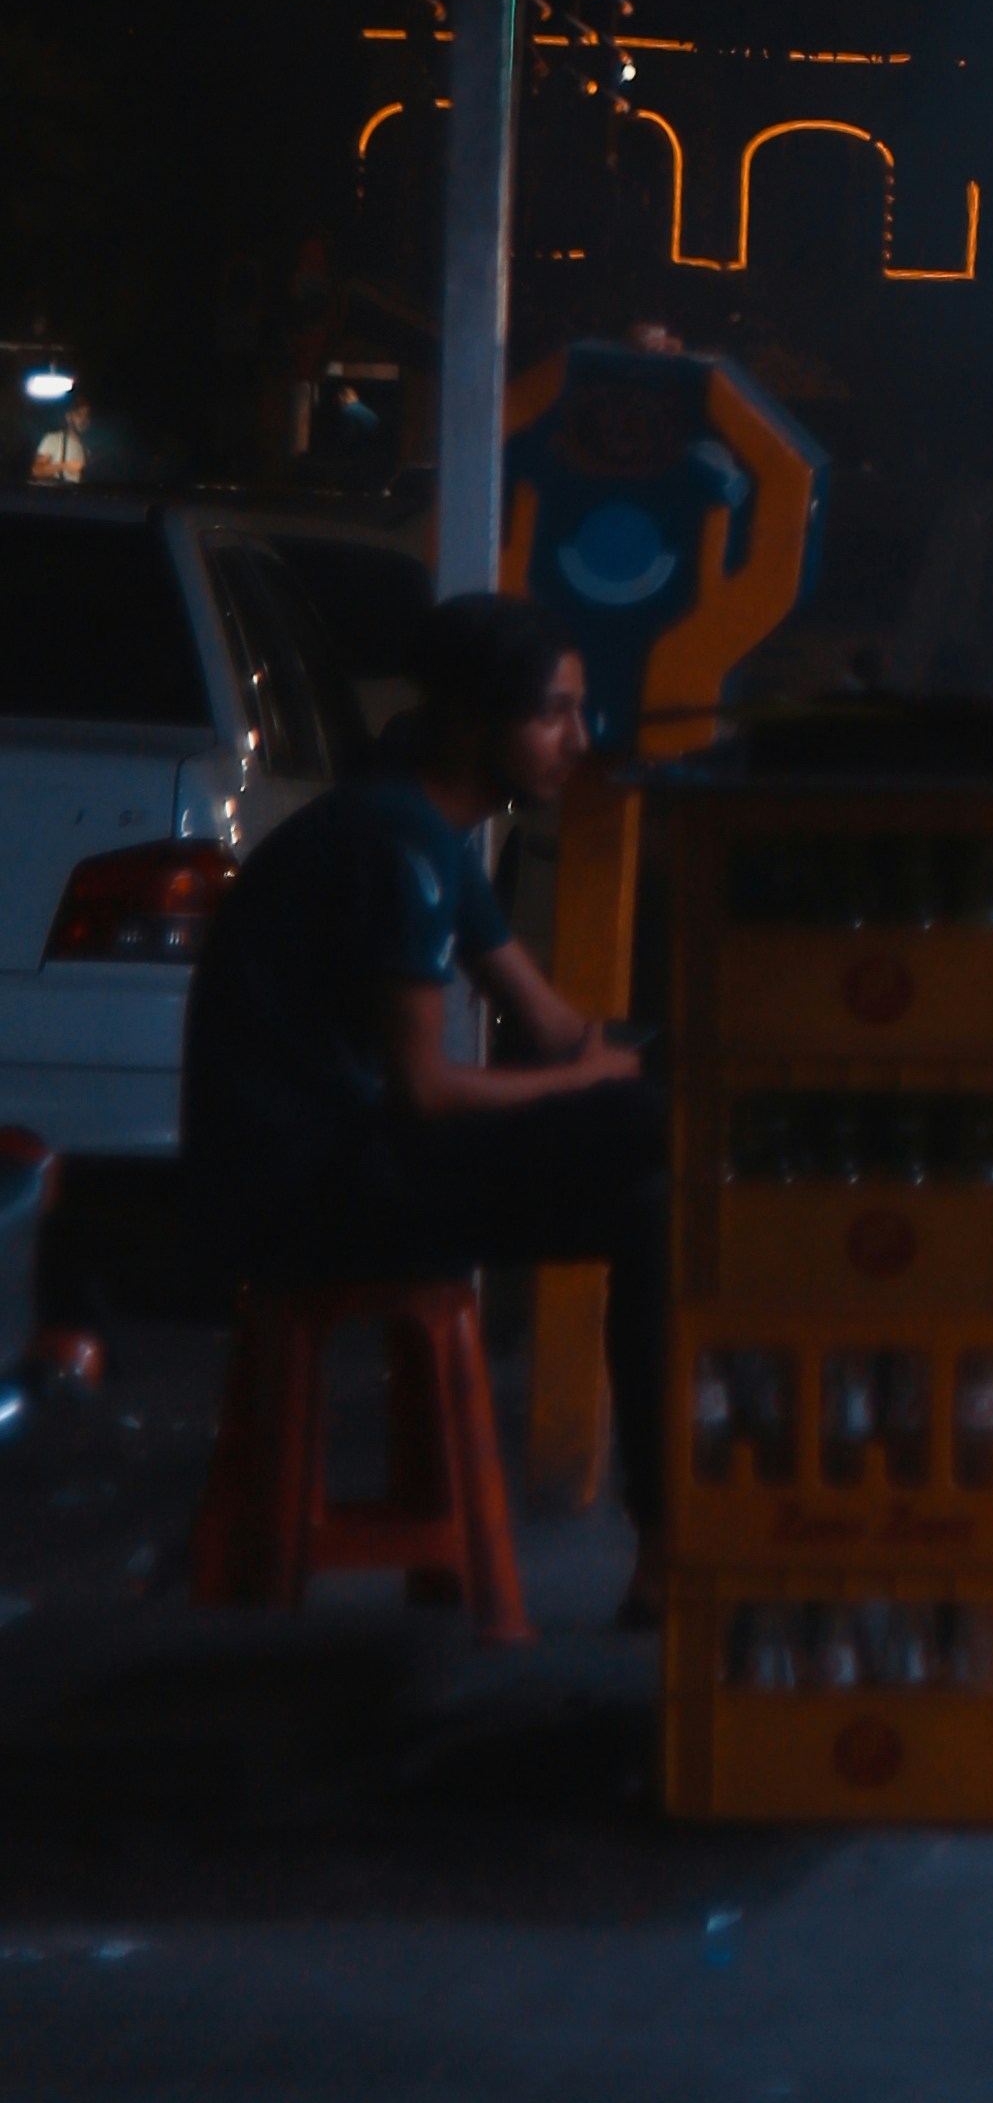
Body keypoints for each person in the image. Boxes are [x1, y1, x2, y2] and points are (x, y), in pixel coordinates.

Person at [179, 592, 670, 1583]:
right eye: (554, 714)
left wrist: (678, 1056)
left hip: (357, 1152)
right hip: (299, 1188)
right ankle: (666, 1546)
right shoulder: (396, 843)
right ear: (472, 724)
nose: (581, 739)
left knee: (659, 1154)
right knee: (653, 1168)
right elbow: (428, 1093)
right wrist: (621, 1087)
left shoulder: (435, 832)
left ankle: (666, 1541)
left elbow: (557, 1032)